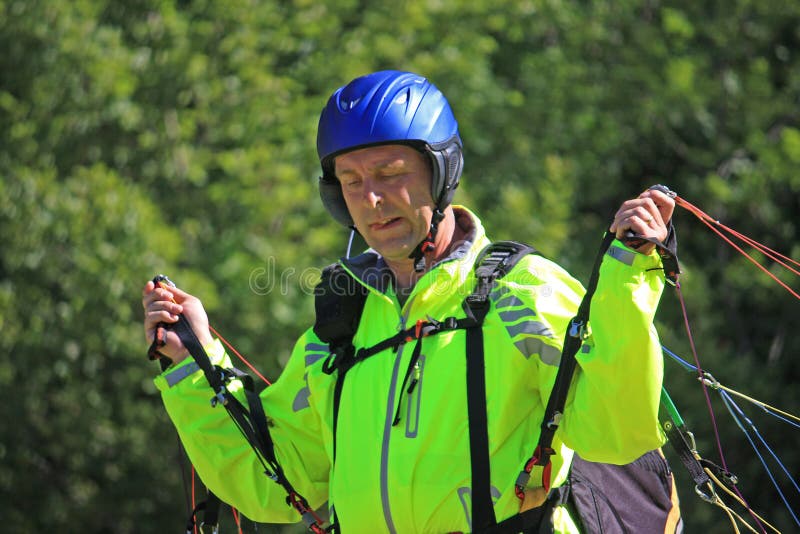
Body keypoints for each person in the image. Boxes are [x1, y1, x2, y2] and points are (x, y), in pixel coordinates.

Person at [143, 70, 680, 533]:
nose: (371, 200)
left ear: (440, 171)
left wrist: (628, 281)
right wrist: (193, 365)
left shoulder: (524, 294)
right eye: (351, 182)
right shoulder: (344, 328)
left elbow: (617, 429)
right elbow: (282, 479)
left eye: (391, 174)